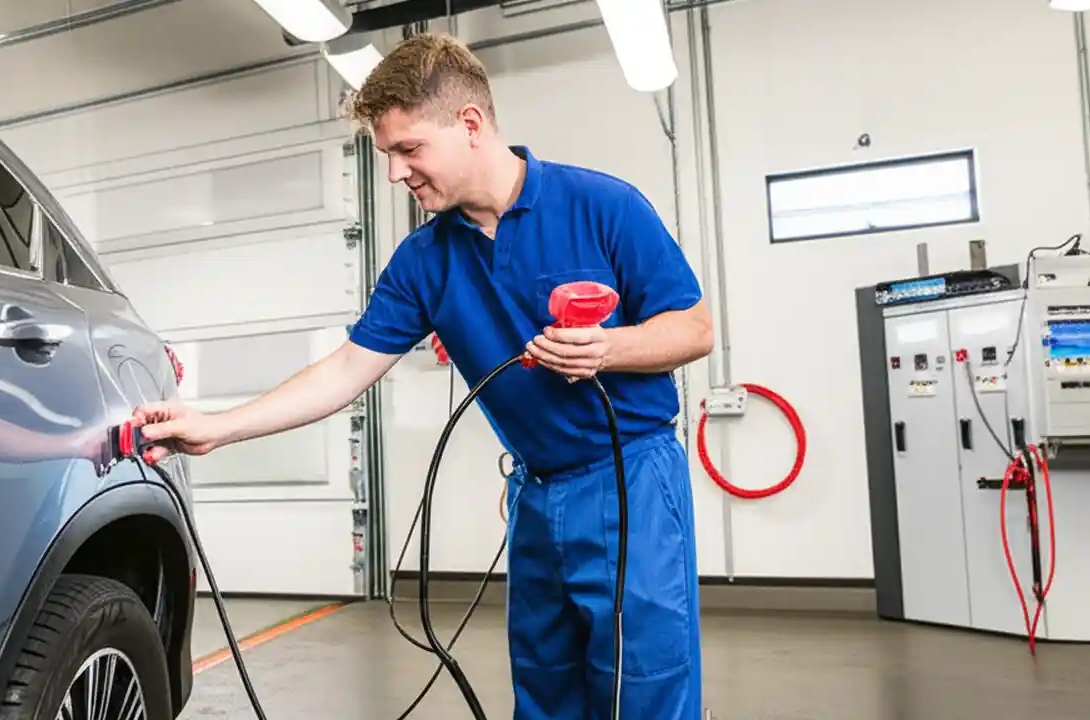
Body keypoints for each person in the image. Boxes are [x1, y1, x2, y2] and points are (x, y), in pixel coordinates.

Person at [133, 32, 712, 719]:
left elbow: (695, 328)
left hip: (631, 479)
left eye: (408, 149)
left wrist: (607, 351)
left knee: (642, 682)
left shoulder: (603, 205)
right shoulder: (423, 260)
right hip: (536, 491)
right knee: (547, 682)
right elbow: (348, 369)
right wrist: (217, 428)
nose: (394, 174)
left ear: (470, 125)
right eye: (387, 154)